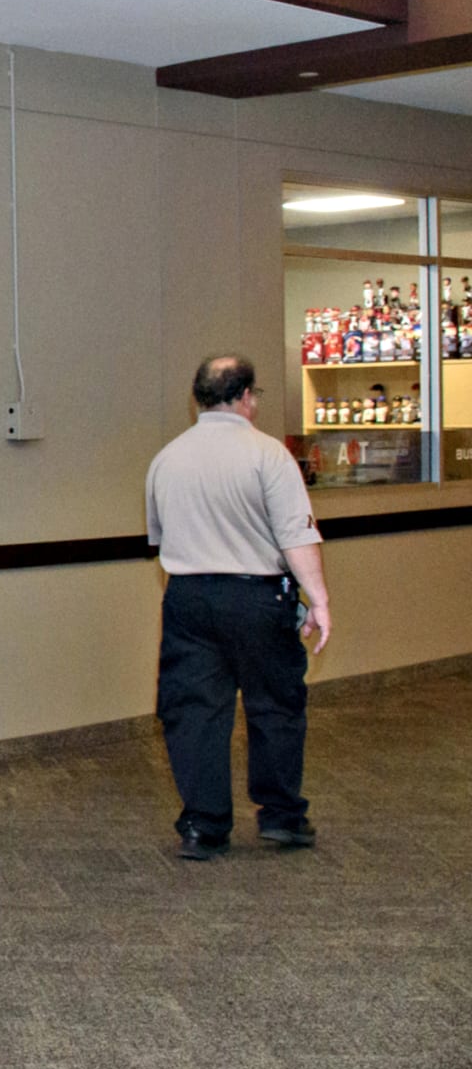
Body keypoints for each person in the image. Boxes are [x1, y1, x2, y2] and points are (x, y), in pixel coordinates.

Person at [145, 355, 332, 861]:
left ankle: (204, 827)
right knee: (275, 705)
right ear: (246, 396)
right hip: (257, 596)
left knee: (194, 712)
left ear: (197, 398)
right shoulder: (269, 455)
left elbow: (159, 536)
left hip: (187, 599)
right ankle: (281, 818)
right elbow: (296, 536)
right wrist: (318, 599)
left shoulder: (167, 458)